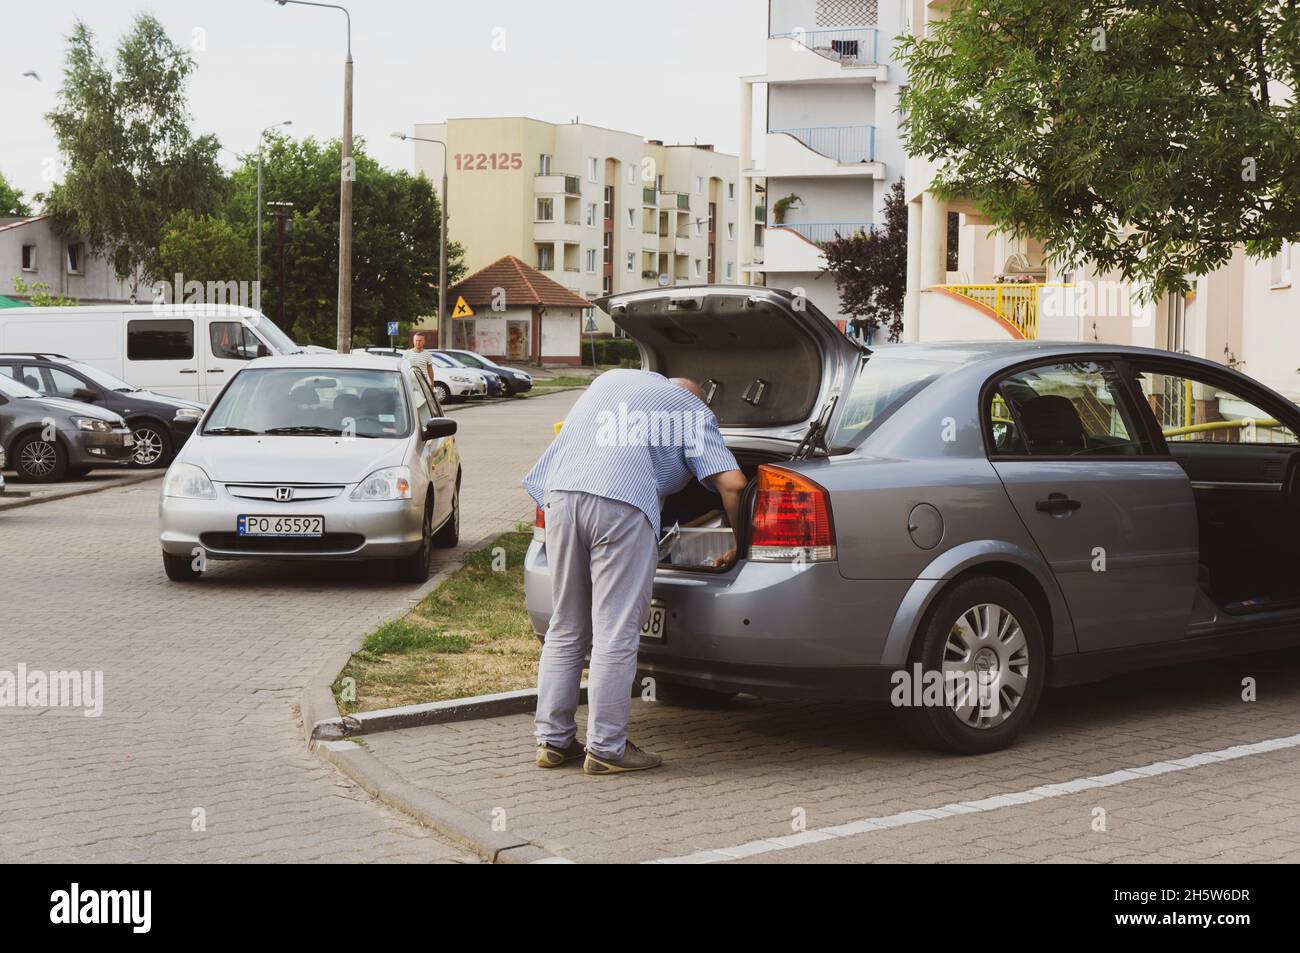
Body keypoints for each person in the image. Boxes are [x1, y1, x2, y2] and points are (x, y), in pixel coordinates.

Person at [523, 370, 747, 775]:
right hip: (621, 505)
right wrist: (740, 544)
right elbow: (733, 484)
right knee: (615, 629)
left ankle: (553, 742)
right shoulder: (690, 408)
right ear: (697, 398)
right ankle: (607, 749)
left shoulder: (611, 381)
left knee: (566, 626)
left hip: (559, 497)